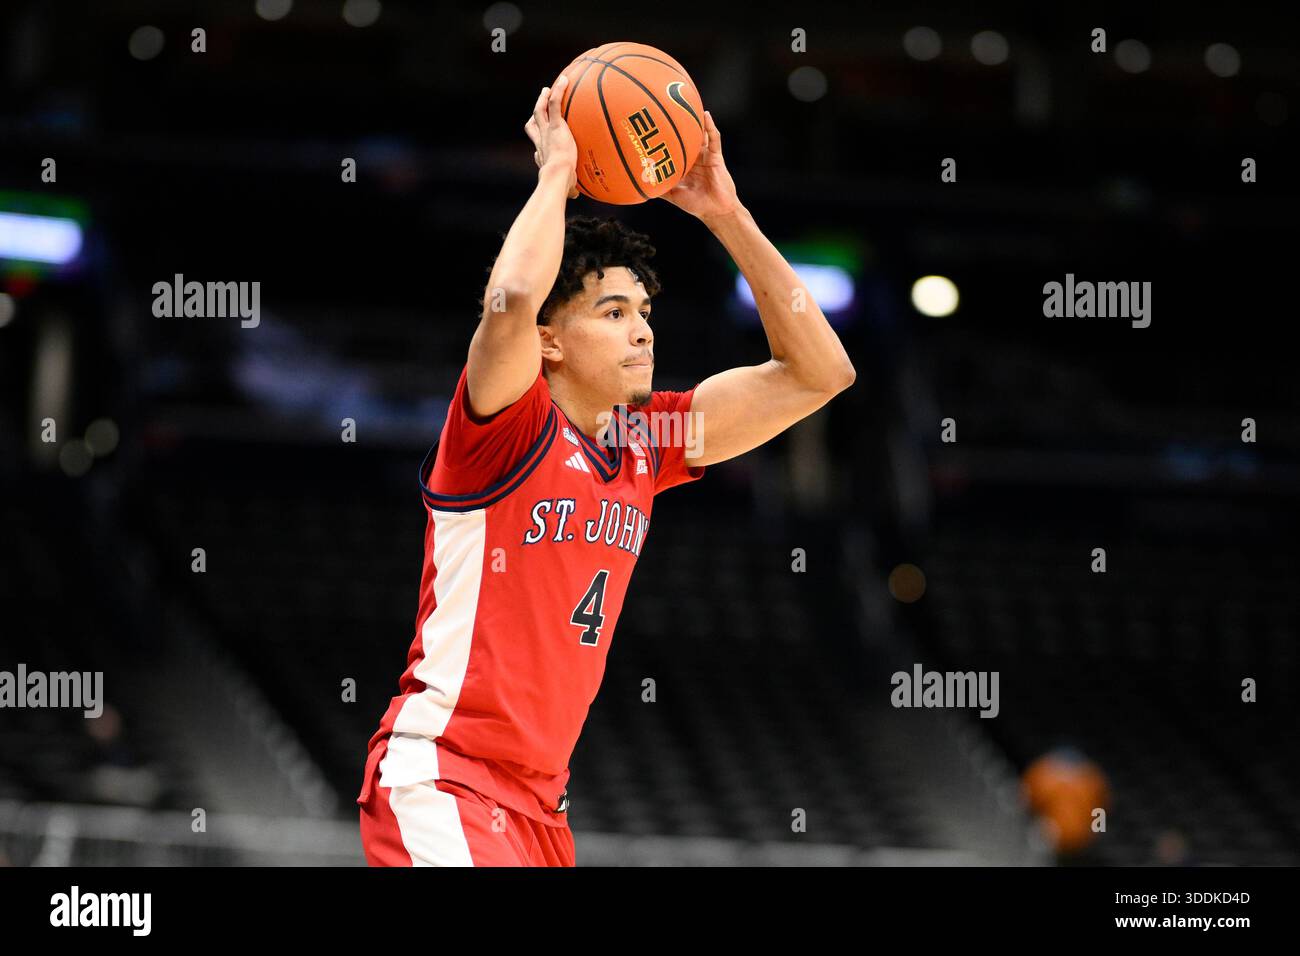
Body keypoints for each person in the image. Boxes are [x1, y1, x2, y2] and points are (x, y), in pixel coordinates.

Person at [358, 72, 856, 866]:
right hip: (445, 777)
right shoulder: (505, 427)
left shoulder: (643, 441)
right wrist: (558, 171)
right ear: (551, 342)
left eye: (645, 314)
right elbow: (514, 298)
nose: (641, 334)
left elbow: (819, 374)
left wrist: (725, 212)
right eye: (613, 313)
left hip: (541, 808)